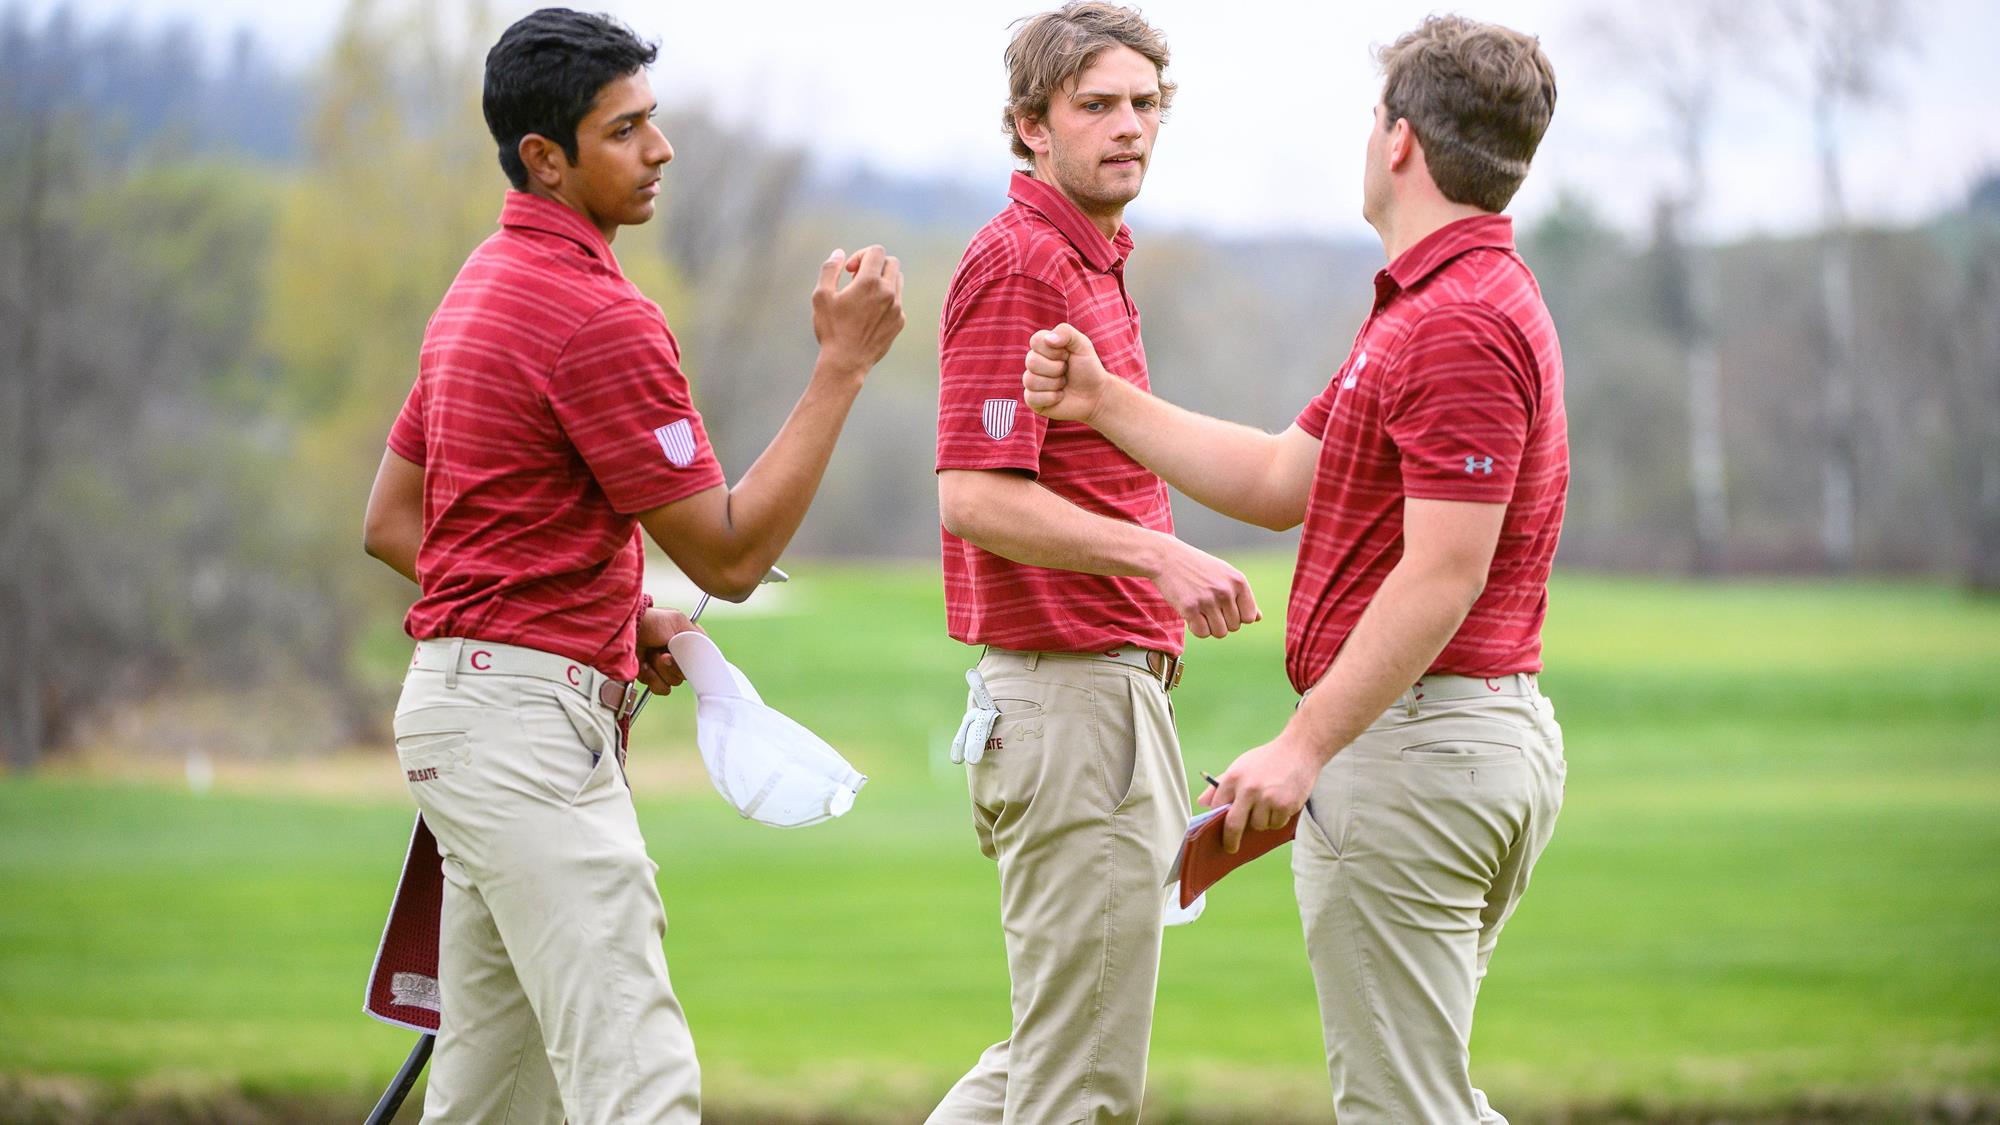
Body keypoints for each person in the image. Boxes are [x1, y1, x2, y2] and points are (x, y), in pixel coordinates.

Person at [359, 9, 903, 1123]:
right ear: (545, 158)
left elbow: (393, 520)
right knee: (640, 1081)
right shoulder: (596, 315)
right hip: (521, 738)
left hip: (467, 714)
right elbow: (731, 554)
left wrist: (596, 613)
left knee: (496, 1097)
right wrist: (841, 367)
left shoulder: (480, 285)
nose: (661, 149)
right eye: (624, 131)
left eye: (652, 120)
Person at [1023, 15, 1567, 1123]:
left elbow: (1443, 574)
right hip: (1443, 745)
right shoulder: (1425, 306)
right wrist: (1101, 402)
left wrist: (1304, 743)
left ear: (1399, 140)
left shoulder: (1458, 322)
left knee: (1402, 1109)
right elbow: (1280, 479)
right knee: (1429, 1099)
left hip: (1418, 754)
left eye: (1374, 119)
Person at [928, 4, 1259, 1123]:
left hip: (1096, 706)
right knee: (1080, 1085)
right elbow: (973, 495)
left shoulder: (1087, 260)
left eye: (1145, 104)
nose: (1130, 126)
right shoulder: (1022, 261)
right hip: (1073, 706)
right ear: (1031, 124)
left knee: (1054, 1057)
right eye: (1097, 105)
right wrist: (1156, 554)